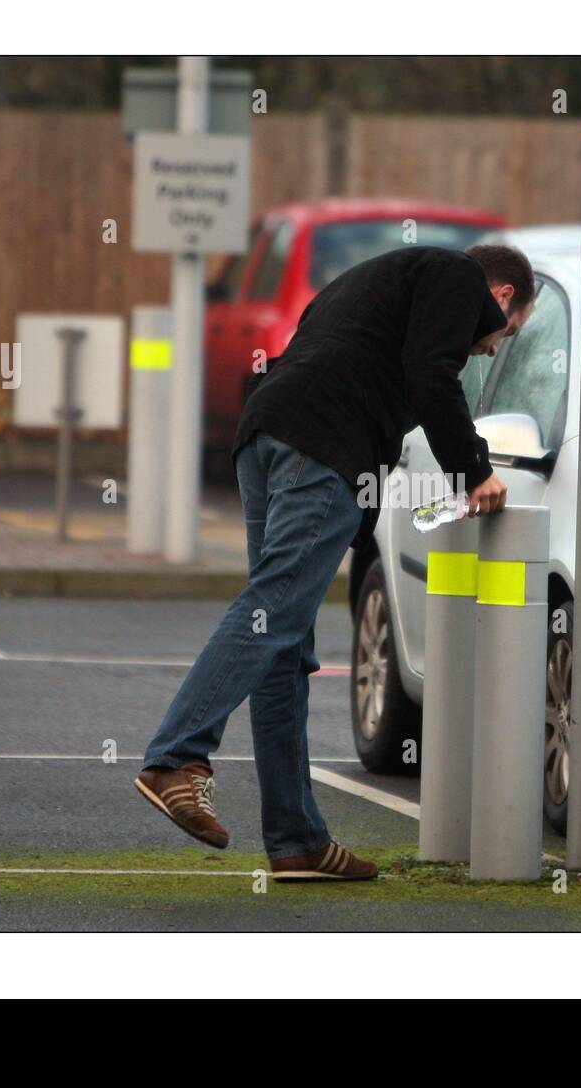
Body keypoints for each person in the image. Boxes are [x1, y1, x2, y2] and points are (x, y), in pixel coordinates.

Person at [134, 242, 535, 881]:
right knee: (273, 607)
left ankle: (297, 842)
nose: (492, 348)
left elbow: (368, 363)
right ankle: (177, 757)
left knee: (283, 642)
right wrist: (474, 472)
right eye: (505, 334)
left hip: (265, 437)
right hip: (321, 448)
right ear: (503, 296)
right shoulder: (458, 277)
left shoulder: (369, 279)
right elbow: (432, 375)